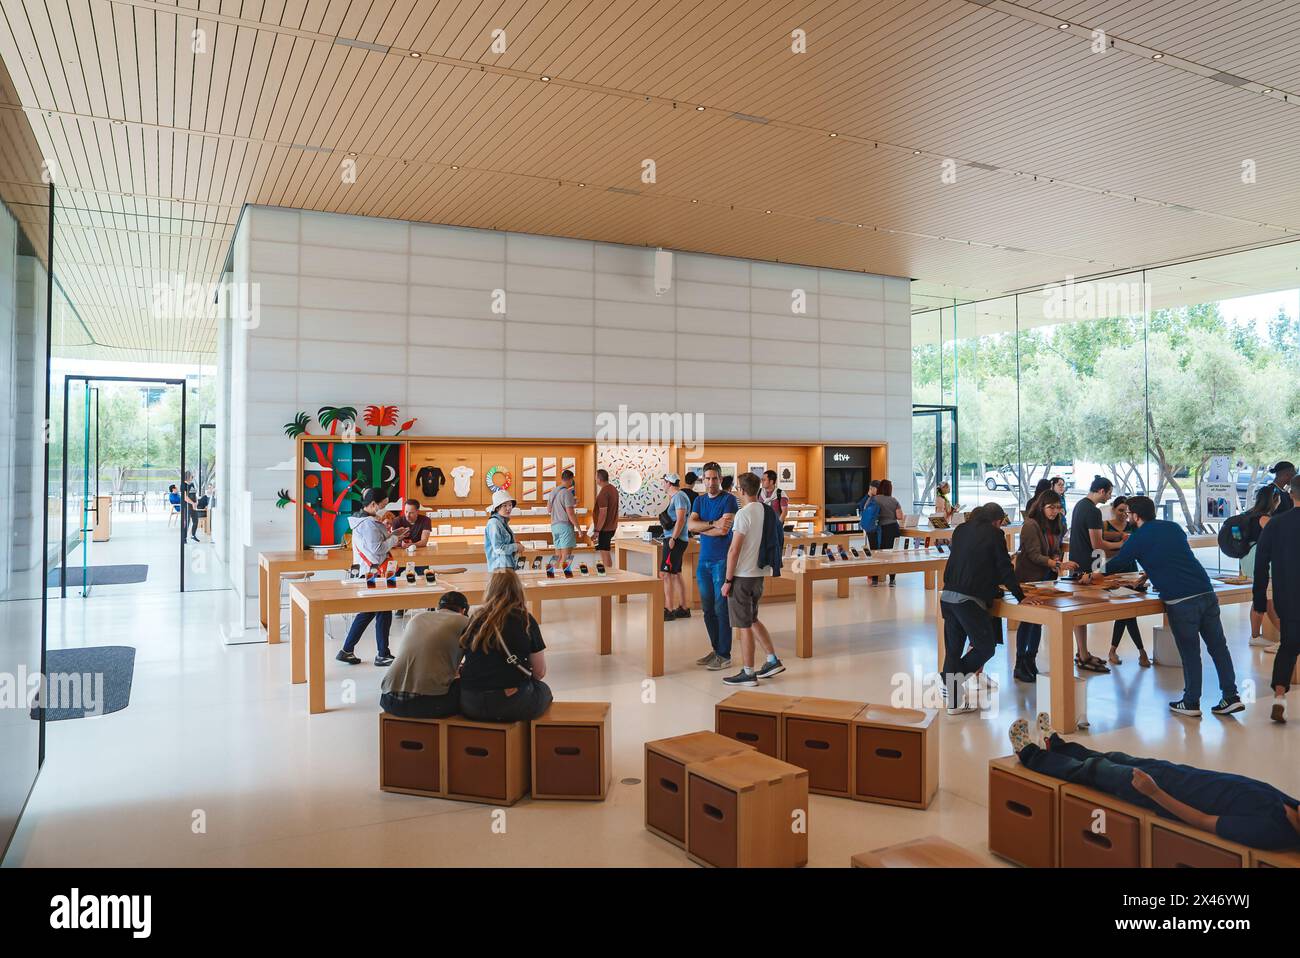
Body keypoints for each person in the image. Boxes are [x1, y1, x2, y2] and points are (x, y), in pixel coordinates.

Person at [1008, 716, 1300, 851]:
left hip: (1163, 794)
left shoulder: (1272, 831)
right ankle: (1056, 745)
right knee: (1114, 756)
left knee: (1094, 771)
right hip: (1181, 775)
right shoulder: (1292, 805)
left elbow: (1202, 820)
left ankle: (1029, 754)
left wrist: (1154, 792)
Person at [1100, 495, 1242, 718]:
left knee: (1190, 652)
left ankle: (1191, 701)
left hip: (1180, 600)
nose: (1127, 517)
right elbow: (1173, 554)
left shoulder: (1137, 537)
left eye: (1128, 514)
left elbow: (1116, 563)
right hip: (1205, 591)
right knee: (1218, 647)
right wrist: (1149, 572)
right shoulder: (1173, 527)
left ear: (1135, 516)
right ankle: (1231, 697)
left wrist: (1092, 574)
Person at [940, 502, 1039, 714]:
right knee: (985, 647)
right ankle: (949, 681)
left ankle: (954, 703)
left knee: (953, 650)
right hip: (969, 599)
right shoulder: (995, 535)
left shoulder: (960, 530)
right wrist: (1020, 596)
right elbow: (1004, 568)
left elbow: (969, 562)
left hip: (948, 595)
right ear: (997, 520)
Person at [458, 569, 553, 722]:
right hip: (507, 701)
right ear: (519, 590)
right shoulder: (525, 620)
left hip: (470, 702)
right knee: (543, 690)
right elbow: (539, 672)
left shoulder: (476, 619)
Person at [721, 472, 784, 686]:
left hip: (742, 576)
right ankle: (772, 659)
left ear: (741, 490)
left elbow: (734, 549)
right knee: (753, 618)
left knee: (743, 624)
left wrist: (728, 580)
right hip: (759, 575)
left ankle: (748, 672)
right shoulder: (767, 511)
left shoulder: (743, 514)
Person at [1012, 491, 1076, 682]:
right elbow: (1033, 555)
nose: (1055, 511)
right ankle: (1019, 662)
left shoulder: (1057, 523)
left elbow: (1055, 548)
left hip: (1048, 578)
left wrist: (1056, 558)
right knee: (1028, 620)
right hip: (1030, 578)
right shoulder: (1031, 525)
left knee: (1039, 621)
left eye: (1058, 507)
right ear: (1042, 506)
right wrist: (1056, 564)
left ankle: (1031, 659)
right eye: (1051, 507)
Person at [1251, 479, 1300, 723]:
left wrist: (1259, 598)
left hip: (1288, 598)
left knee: (1289, 646)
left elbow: (1261, 564)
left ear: (1291, 495)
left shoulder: (1276, 524)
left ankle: (1279, 697)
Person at [380, 592, 471, 718]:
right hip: (428, 704)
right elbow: (476, 663)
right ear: (464, 610)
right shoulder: (465, 621)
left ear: (438, 607)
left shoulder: (417, 618)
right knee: (471, 685)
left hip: (389, 699)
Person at [1068, 476, 1124, 672]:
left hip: (1081, 562)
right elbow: (1097, 544)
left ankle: (1083, 653)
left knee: (1081, 613)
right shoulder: (1092, 511)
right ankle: (1082, 654)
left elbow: (1094, 534)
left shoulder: (1080, 505)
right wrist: (1122, 544)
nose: (1109, 497)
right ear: (1101, 491)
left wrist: (1118, 535)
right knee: (1082, 613)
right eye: (1109, 493)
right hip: (1088, 566)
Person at [339, 488, 400, 666]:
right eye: (384, 504)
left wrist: (392, 534)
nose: (385, 507)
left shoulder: (363, 522)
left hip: (369, 572)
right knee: (382, 609)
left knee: (372, 611)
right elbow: (377, 550)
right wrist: (394, 539)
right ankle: (382, 654)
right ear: (373, 505)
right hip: (374, 573)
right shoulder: (368, 524)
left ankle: (348, 650)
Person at [688, 462, 738, 670]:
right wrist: (712, 524)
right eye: (707, 479)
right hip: (704, 561)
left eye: (714, 478)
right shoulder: (699, 501)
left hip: (721, 561)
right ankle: (716, 649)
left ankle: (724, 655)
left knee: (721, 608)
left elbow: (724, 530)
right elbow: (690, 526)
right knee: (707, 609)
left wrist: (704, 528)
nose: (710, 482)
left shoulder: (729, 500)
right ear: (703, 480)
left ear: (720, 479)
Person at [1102, 496, 1148, 668]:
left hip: (1130, 571)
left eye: (1126, 511)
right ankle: (1141, 651)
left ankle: (1114, 650)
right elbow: (1100, 542)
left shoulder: (1133, 525)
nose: (1123, 514)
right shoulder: (1106, 525)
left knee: (1127, 612)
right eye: (1120, 510)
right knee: (1127, 613)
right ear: (1114, 509)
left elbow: (1139, 546)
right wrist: (1121, 540)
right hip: (1113, 571)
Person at [1241, 484, 1282, 647]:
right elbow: (1279, 540)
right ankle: (1286, 638)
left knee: (1263, 598)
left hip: (1249, 562)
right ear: (1274, 500)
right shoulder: (1265, 519)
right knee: (1270, 601)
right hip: (1263, 564)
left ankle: (1256, 636)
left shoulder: (1248, 515)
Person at [659, 473, 692, 621]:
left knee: (667, 574)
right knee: (676, 573)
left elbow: (680, 520)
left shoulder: (679, 497)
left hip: (675, 540)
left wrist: (673, 538)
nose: (662, 484)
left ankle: (669, 609)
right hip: (677, 539)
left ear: (669, 483)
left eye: (664, 482)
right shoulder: (678, 497)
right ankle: (683, 607)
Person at [544, 469, 581, 570]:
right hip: (565, 526)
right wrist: (579, 528)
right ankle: (565, 578)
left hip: (554, 526)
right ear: (570, 479)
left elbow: (549, 509)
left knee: (558, 555)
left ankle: (551, 575)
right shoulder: (567, 493)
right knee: (566, 556)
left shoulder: (553, 491)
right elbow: (570, 513)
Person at [872, 479, 904, 585]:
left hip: (879, 529)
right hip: (893, 528)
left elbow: (866, 510)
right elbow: (900, 516)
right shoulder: (894, 500)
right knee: (892, 554)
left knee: (877, 554)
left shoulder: (874, 499)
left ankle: (875, 579)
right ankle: (892, 579)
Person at [588, 469, 620, 572]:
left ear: (599, 479)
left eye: (595, 477)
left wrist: (597, 530)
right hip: (611, 526)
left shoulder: (604, 493)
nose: (595, 479)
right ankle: (608, 573)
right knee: (606, 551)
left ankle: (608, 574)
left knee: (604, 552)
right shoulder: (613, 489)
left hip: (604, 528)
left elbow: (603, 513)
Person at [483, 488, 521, 572]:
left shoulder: (502, 522)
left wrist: (515, 544)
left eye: (510, 505)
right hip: (500, 568)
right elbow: (499, 548)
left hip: (506, 566)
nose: (508, 508)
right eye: (504, 505)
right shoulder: (494, 523)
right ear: (497, 508)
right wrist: (516, 546)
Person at [180, 470, 200, 542]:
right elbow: (185, 497)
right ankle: (184, 538)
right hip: (186, 506)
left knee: (195, 520)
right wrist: (192, 503)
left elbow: (194, 494)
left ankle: (193, 535)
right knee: (187, 521)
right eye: (192, 475)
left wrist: (196, 502)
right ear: (188, 476)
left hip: (193, 505)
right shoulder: (183, 485)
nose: (193, 477)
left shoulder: (192, 484)